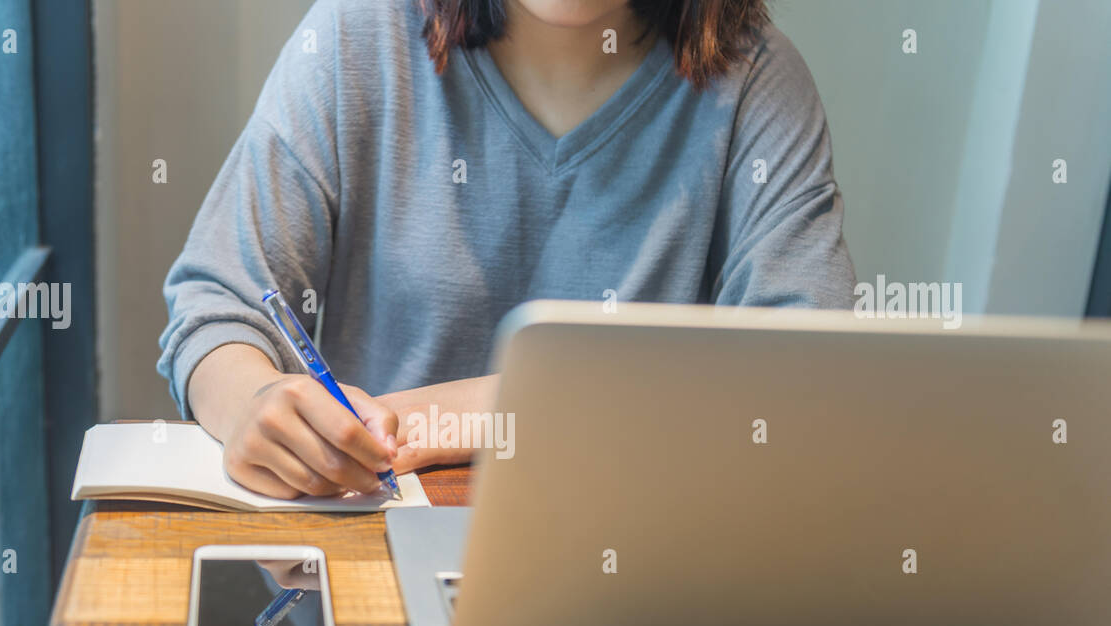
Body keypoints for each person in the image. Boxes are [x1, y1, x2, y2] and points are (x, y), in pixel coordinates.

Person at [159, 0, 855, 498]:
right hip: (369, 551)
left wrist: (438, 418)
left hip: (648, 574)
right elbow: (216, 303)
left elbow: (803, 386)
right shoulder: (355, 35)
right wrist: (253, 398)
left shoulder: (759, 85)